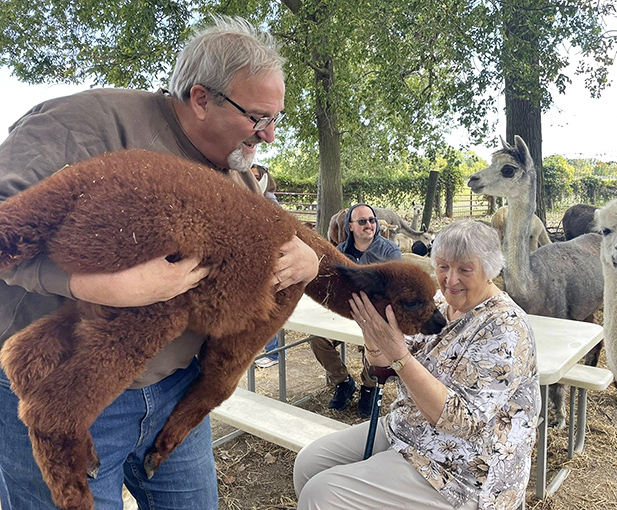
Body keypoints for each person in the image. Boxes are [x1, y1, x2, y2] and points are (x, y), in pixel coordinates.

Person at [0, 17, 319, 510]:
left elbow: (254, 241)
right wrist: (90, 284)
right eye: (258, 117)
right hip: (65, 382)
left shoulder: (236, 168)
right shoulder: (83, 124)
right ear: (200, 98)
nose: (270, 135)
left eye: (276, 118)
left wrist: (303, 254)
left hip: (174, 386)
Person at [294, 219, 540, 510]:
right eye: (443, 266)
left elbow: (463, 422)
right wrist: (374, 334)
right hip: (407, 429)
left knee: (322, 494)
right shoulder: (436, 301)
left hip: (465, 468)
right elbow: (383, 367)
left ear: (490, 269)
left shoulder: (506, 328)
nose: (450, 279)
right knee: (308, 463)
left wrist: (400, 356)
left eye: (465, 269)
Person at [308, 203, 401, 417]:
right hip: (346, 313)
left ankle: (369, 386)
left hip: (375, 316)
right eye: (362, 221)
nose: (369, 225)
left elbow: (394, 286)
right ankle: (343, 382)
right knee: (318, 340)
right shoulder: (340, 252)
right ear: (350, 227)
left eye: (372, 220)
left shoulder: (389, 251)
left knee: (373, 342)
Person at [250, 163, 282, 368]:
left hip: (269, 263)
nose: (249, 178)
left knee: (268, 307)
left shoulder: (268, 202)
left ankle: (274, 353)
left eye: (254, 176)